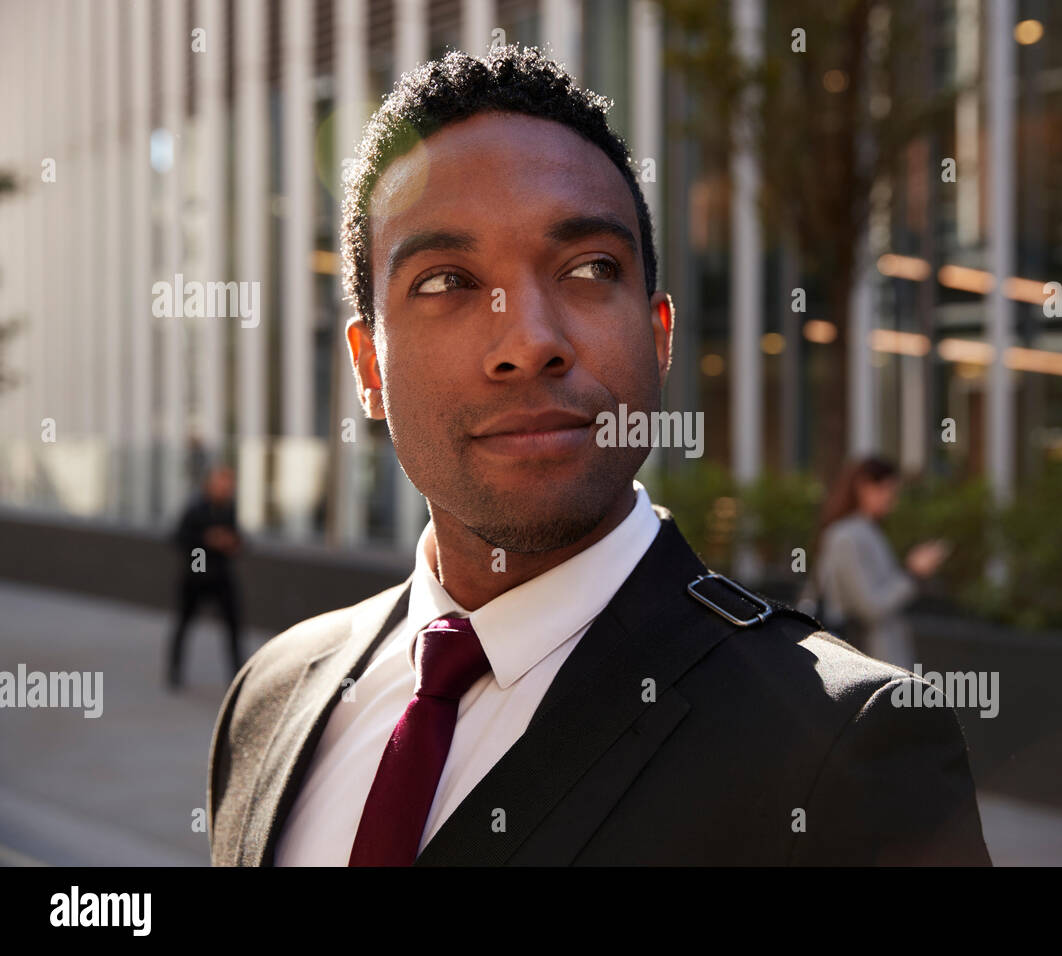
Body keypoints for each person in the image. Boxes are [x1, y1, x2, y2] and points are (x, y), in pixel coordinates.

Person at [206, 46, 989, 867]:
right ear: (369, 367)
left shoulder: (844, 753)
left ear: (659, 339)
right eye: (446, 282)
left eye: (588, 268)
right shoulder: (271, 700)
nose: (530, 340)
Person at [808, 457, 948, 668]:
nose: (893, 499)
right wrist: (912, 573)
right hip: (867, 662)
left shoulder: (868, 531)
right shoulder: (847, 535)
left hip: (876, 661)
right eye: (888, 490)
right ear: (864, 487)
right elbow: (870, 607)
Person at [167, 464, 244, 689]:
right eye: (221, 484)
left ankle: (238, 676)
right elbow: (180, 539)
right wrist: (207, 540)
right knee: (184, 623)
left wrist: (232, 543)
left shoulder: (228, 510)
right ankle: (175, 671)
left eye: (228, 486)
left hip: (221, 576)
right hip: (197, 576)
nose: (225, 489)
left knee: (233, 627)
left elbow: (238, 540)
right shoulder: (195, 509)